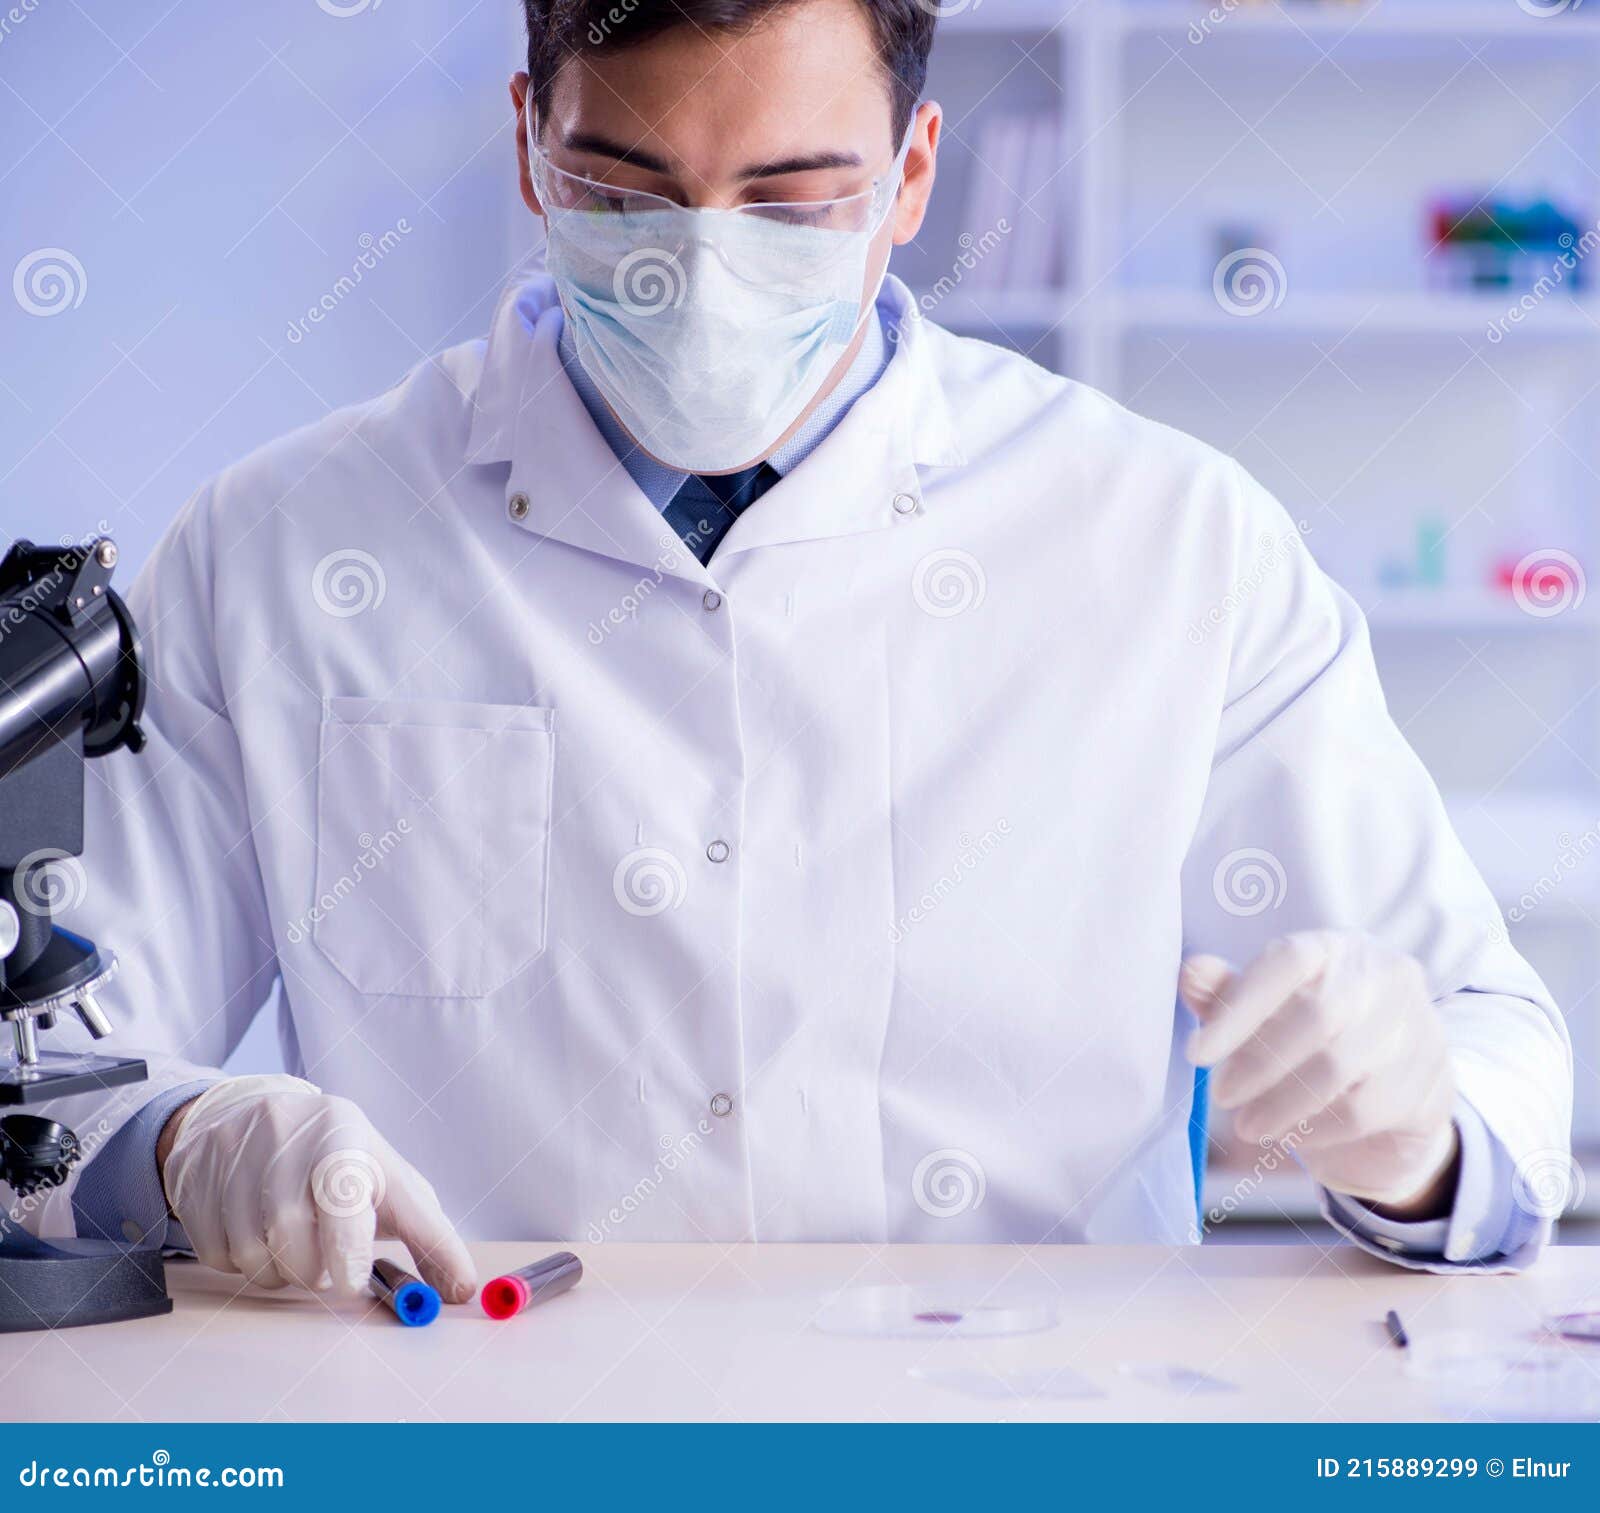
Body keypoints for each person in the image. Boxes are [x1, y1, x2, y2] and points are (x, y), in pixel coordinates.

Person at [21, 0, 1570, 1305]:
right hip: (492, 1427)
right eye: (625, 192)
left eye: (792, 200)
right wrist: (188, 1142)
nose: (700, 277)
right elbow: (49, 1056)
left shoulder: (1172, 542)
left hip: (1041, 1436)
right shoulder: (285, 546)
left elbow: (1498, 1051)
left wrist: (1421, 1125)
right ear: (528, 144)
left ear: (914, 175)